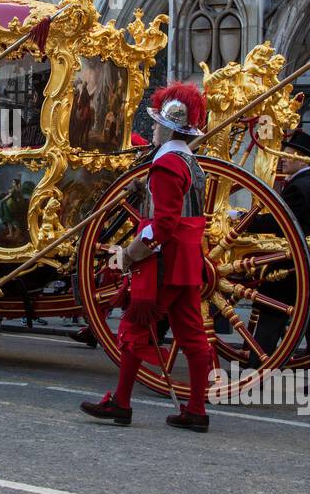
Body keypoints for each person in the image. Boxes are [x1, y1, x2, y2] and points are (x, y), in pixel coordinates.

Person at [80, 82, 214, 431]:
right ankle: (196, 409)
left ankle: (121, 403)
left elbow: (165, 223)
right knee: (192, 334)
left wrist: (130, 253)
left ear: (170, 127)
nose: (152, 128)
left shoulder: (167, 163)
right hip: (187, 259)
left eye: (156, 123)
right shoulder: (187, 160)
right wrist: (143, 191)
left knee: (134, 329)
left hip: (164, 260)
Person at [248, 128, 310, 395]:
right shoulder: (309, 184)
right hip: (309, 265)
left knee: (270, 317)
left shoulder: (300, 187)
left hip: (292, 267)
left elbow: (279, 221)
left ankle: (253, 376)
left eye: (290, 155)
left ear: (304, 160)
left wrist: (243, 223)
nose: (284, 158)